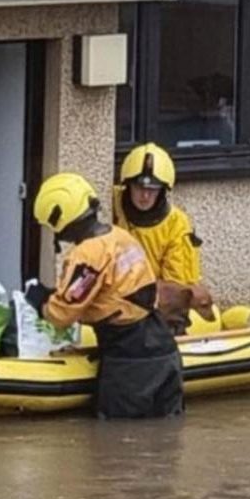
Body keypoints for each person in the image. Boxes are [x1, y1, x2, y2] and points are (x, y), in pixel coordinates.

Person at [26, 172, 184, 419]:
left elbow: (62, 313)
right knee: (163, 443)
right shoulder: (120, 237)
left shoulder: (88, 254)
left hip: (130, 362)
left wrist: (40, 301)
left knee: (118, 444)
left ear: (62, 219)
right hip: (162, 349)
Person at [112, 143, 203, 286]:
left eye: (153, 189)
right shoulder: (110, 204)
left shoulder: (177, 224)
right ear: (128, 184)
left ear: (162, 190)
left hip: (155, 300)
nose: (145, 196)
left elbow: (176, 288)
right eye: (139, 187)